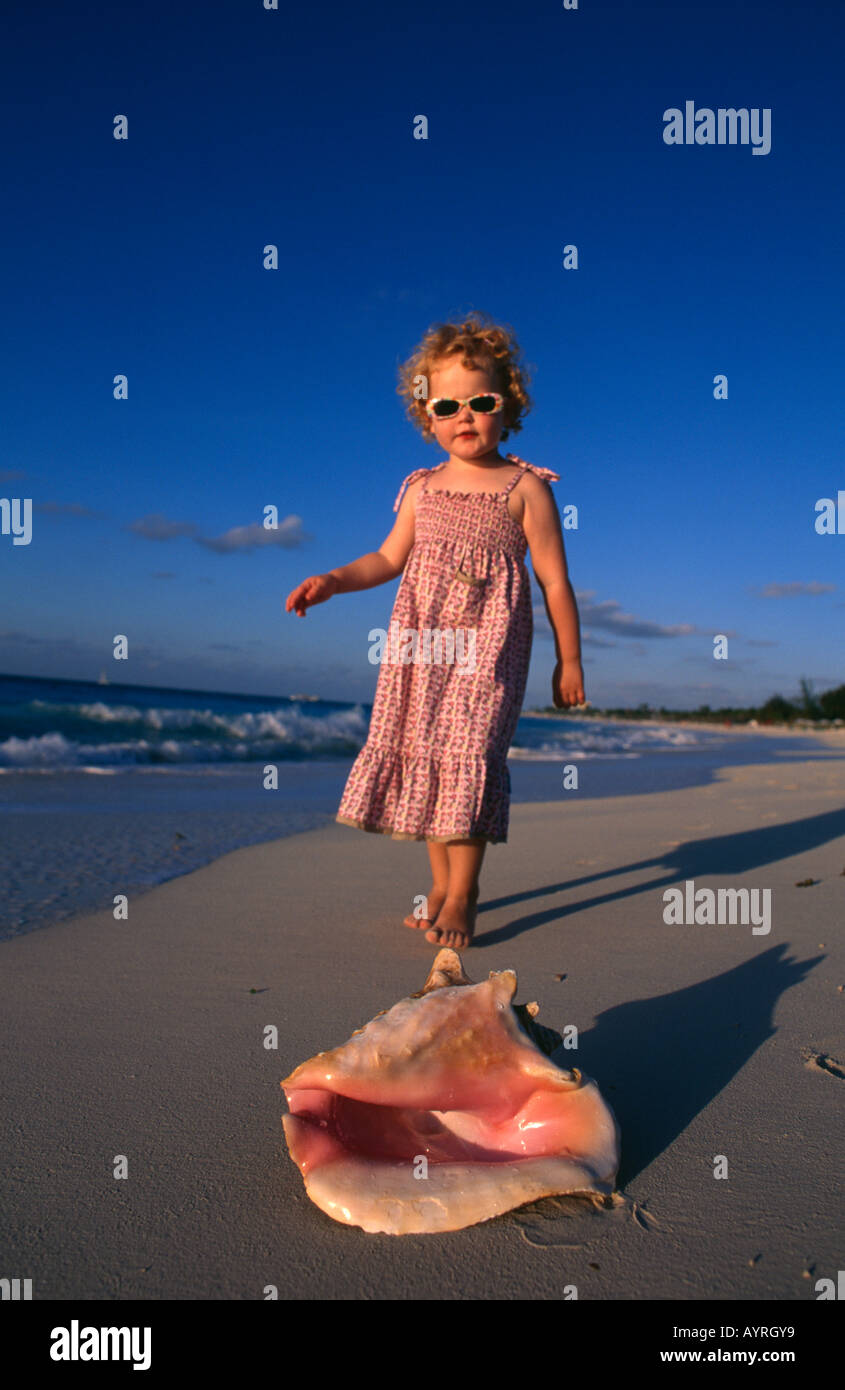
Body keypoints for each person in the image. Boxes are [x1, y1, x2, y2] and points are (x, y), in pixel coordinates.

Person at [285, 312, 584, 948]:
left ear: (509, 405)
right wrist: (334, 580)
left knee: (469, 757)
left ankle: (465, 893)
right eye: (448, 404)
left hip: (490, 649)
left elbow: (555, 581)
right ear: (428, 417)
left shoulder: (526, 488)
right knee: (427, 758)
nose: (465, 416)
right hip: (420, 648)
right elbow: (387, 559)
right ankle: (441, 887)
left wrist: (570, 660)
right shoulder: (421, 489)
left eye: (482, 401)